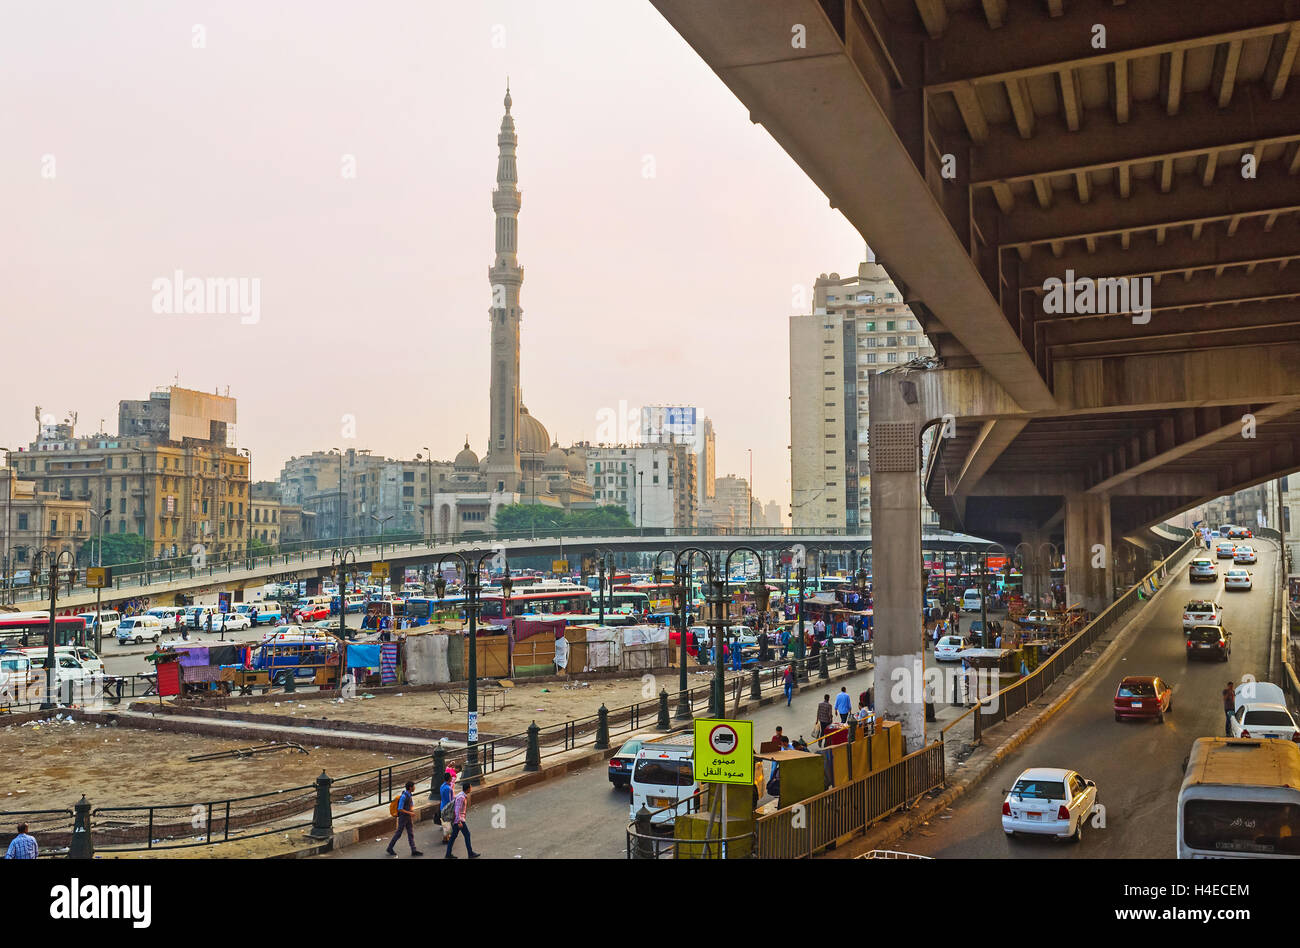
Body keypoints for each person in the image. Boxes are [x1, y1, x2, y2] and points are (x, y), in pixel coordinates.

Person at [385, 780, 422, 857]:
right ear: (410, 788)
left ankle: (413, 850)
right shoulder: (404, 796)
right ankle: (390, 848)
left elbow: (410, 804)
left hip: (407, 817)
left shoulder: (409, 795)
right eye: (414, 786)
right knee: (398, 833)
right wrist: (410, 813)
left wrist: (411, 809)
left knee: (410, 833)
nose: (415, 787)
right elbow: (400, 808)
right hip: (403, 817)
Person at [444, 780, 480, 859]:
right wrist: (459, 821)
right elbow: (457, 810)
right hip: (459, 820)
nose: (471, 788)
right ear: (467, 789)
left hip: (457, 820)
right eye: (470, 787)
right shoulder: (461, 797)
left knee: (453, 837)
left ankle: (448, 854)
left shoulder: (461, 795)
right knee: (467, 835)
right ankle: (470, 853)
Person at [435, 772, 454, 841]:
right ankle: (446, 837)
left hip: (442, 806)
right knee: (448, 822)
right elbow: (450, 800)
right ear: (449, 778)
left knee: (445, 822)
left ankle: (446, 837)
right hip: (447, 808)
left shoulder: (442, 786)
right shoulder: (448, 788)